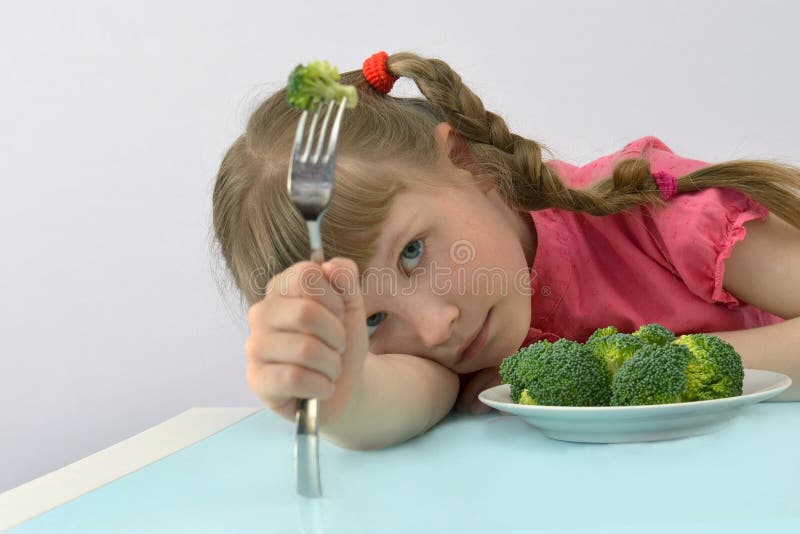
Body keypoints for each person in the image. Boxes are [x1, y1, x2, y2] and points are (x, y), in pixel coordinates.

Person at [211, 51, 800, 450]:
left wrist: (613, 370)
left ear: (464, 163)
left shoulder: (654, 209)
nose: (436, 327)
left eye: (413, 251)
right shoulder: (438, 350)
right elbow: (393, 399)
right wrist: (338, 388)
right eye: (372, 318)